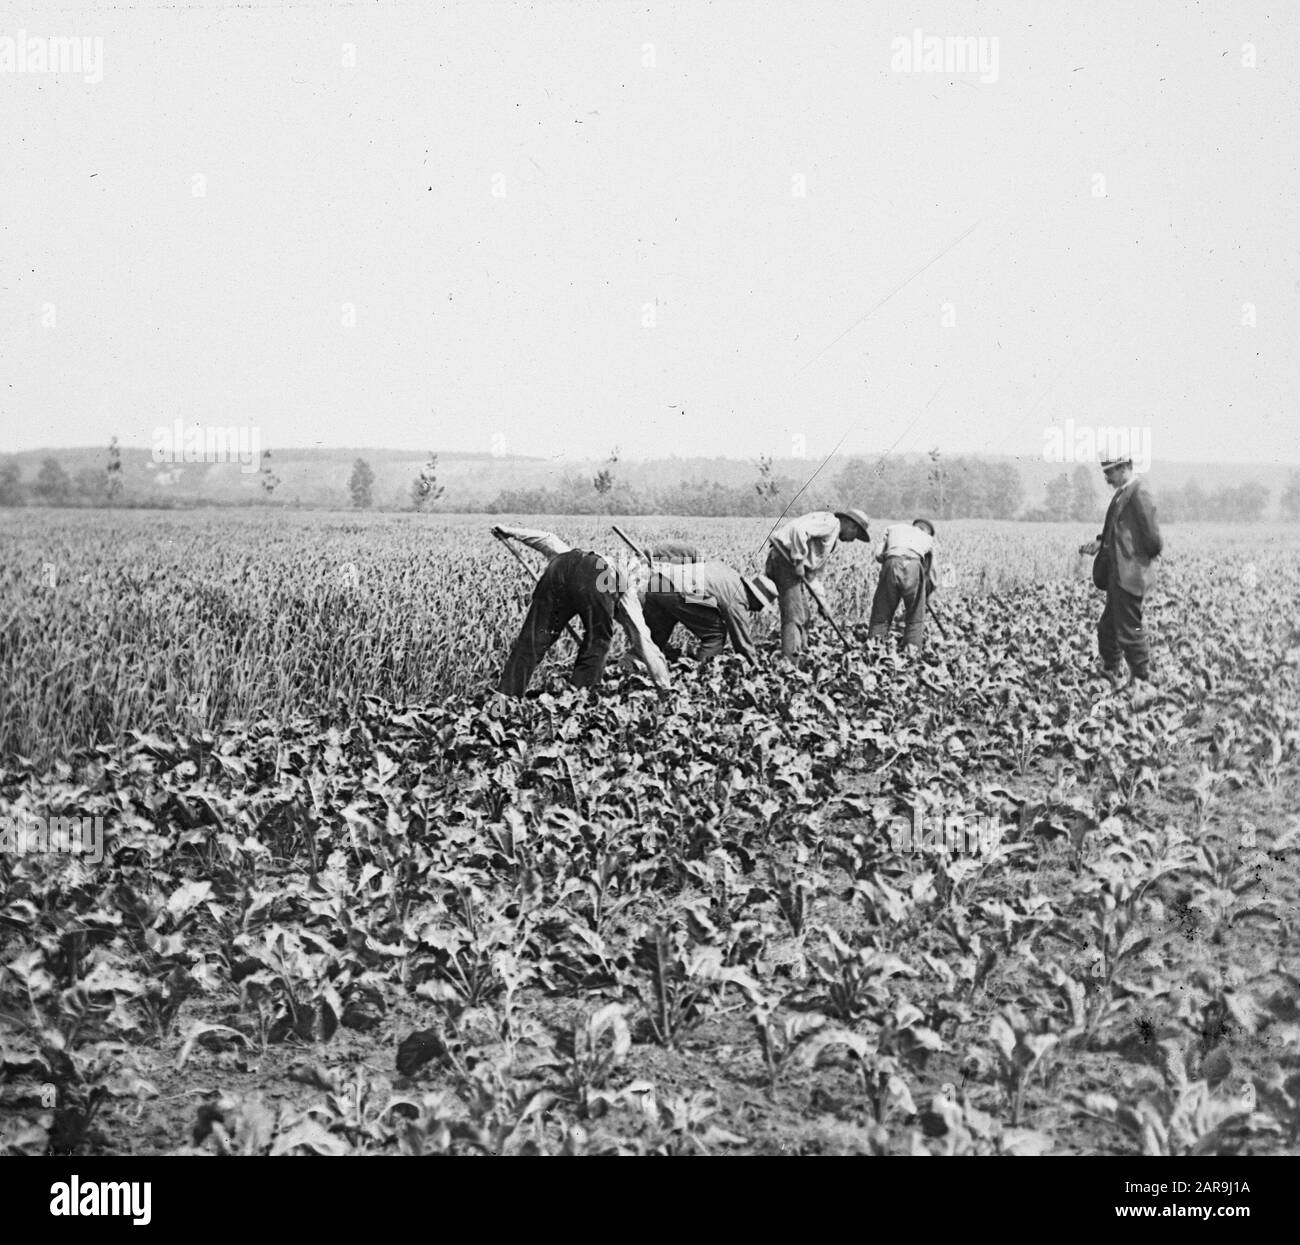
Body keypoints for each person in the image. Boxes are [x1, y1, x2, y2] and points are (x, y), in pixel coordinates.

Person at [493, 526, 671, 696]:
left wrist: (512, 531)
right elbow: (644, 642)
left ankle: (503, 701)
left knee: (532, 640)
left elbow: (547, 540)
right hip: (597, 576)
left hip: (560, 566)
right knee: (598, 640)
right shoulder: (629, 591)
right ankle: (579, 698)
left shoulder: (584, 557)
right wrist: (664, 687)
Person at [1078, 454, 1163, 704]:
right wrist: (1100, 543)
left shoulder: (1139, 492)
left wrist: (1134, 558)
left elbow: (1153, 540)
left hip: (1129, 573)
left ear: (1125, 467)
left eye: (1110, 473)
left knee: (1129, 629)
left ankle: (1142, 682)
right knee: (1108, 628)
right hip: (1119, 573)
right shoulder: (1124, 492)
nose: (1107, 479)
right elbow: (1117, 528)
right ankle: (1110, 674)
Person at [764, 509, 870, 656]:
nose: (853, 539)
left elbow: (813, 576)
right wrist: (799, 559)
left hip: (790, 566)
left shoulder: (831, 541)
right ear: (849, 524)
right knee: (794, 616)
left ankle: (801, 654)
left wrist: (823, 603)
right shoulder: (830, 523)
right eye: (856, 534)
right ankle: (790, 664)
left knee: (805, 615)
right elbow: (798, 529)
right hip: (783, 560)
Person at [639, 562, 778, 667]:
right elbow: (742, 642)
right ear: (756, 598)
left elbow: (702, 598)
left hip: (658, 582)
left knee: (653, 640)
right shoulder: (738, 599)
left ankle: (633, 666)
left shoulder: (732, 576)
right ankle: (701, 674)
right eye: (761, 605)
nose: (759, 610)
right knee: (716, 634)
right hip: (673, 590)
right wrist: (755, 668)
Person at [868, 519, 938, 648]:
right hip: (914, 565)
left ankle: (874, 651)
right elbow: (933, 575)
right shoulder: (927, 539)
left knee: (881, 615)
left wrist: (894, 558)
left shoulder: (893, 528)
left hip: (891, 563)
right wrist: (924, 594)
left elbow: (878, 555)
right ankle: (912, 656)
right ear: (928, 531)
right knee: (915, 620)